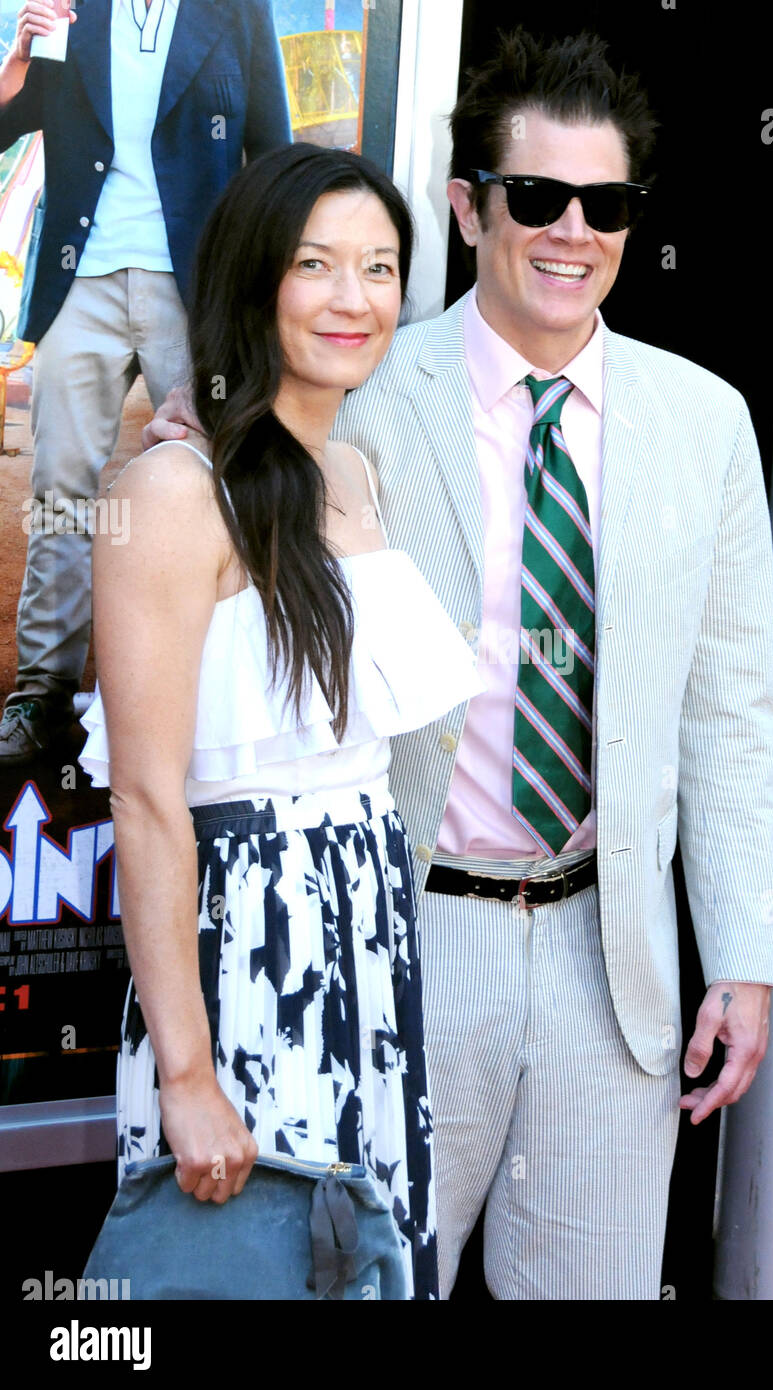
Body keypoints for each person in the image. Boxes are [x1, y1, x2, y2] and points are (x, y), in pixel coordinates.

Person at [146, 29, 773, 1301]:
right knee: (370, 1287)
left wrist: (745, 953)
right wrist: (191, 425)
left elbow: (730, 709)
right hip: (407, 928)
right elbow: (220, 461)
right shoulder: (361, 390)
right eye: (535, 197)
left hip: (617, 952)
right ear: (468, 207)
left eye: (604, 205)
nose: (570, 233)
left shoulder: (704, 422)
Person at [77, 143, 482, 1300]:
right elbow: (147, 802)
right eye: (316, 264)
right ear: (256, 278)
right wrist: (189, 1073)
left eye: (378, 267)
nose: (353, 298)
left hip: (366, 932)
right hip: (243, 948)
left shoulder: (350, 473)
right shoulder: (167, 494)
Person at [0, 0, 292, 763]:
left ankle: (214, 693)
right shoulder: (70, 10)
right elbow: (5, 127)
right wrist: (19, 62)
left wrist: (260, 292)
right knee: (60, 489)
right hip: (79, 282)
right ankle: (42, 695)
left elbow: (273, 151)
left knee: (213, 482)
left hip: (192, 287)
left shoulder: (235, 12)